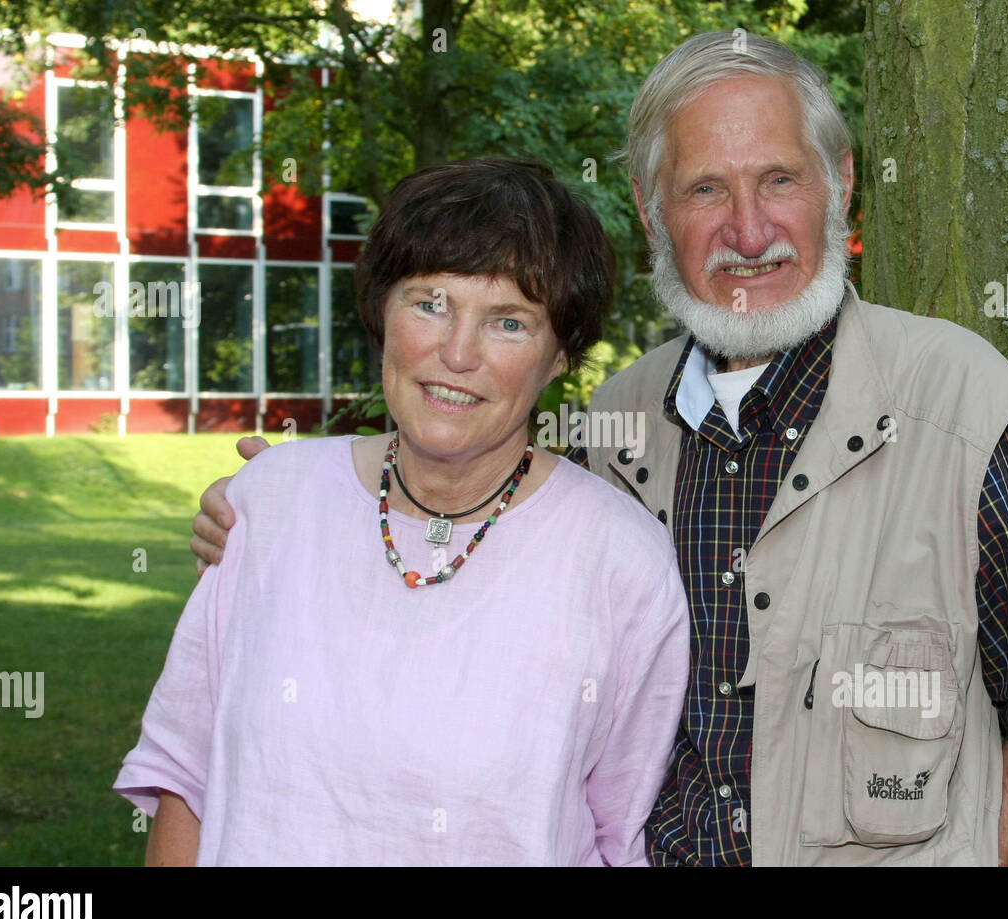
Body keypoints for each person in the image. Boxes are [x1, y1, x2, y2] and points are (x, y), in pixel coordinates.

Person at [191, 34, 1008, 866]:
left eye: (779, 179)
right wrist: (281, 515)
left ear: (841, 186)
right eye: (703, 191)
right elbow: (463, 523)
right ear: (653, 215)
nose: (748, 231)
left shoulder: (960, 402)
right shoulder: (614, 427)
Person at [115, 157, 691, 866]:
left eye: (508, 322)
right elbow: (185, 778)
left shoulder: (622, 563)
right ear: (382, 310)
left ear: (560, 356)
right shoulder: (267, 505)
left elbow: (620, 833)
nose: (456, 352)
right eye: (430, 303)